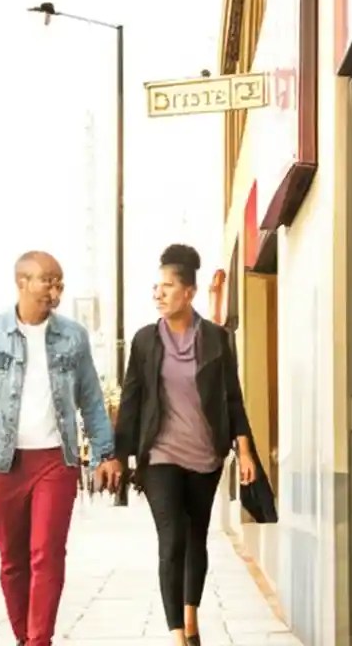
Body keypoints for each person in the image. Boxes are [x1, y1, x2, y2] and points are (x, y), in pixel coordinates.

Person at [0, 250, 122, 646]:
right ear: (22, 282)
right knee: (12, 560)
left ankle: (39, 641)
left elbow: (91, 399)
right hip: (0, 463)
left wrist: (104, 453)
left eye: (60, 283)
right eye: (48, 281)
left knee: (47, 554)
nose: (56, 291)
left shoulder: (73, 337)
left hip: (55, 461)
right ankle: (24, 638)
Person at [116, 244, 257, 646]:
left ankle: (191, 620)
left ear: (189, 292)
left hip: (206, 456)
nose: (158, 294)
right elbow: (130, 400)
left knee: (196, 537)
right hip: (160, 454)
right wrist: (118, 455)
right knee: (172, 537)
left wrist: (244, 450)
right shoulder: (145, 341)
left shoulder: (215, 338)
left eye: (167, 286)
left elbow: (232, 397)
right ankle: (177, 636)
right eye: (156, 287)